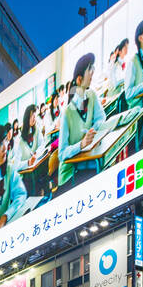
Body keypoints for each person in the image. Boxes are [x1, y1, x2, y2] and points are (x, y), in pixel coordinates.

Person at [56, 53, 109, 191]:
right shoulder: (67, 113)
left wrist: (92, 130)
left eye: (93, 68)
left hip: (88, 161)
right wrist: (81, 144)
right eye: (90, 69)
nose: (93, 72)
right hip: (71, 173)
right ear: (79, 79)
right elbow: (61, 154)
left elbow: (101, 118)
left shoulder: (91, 95)